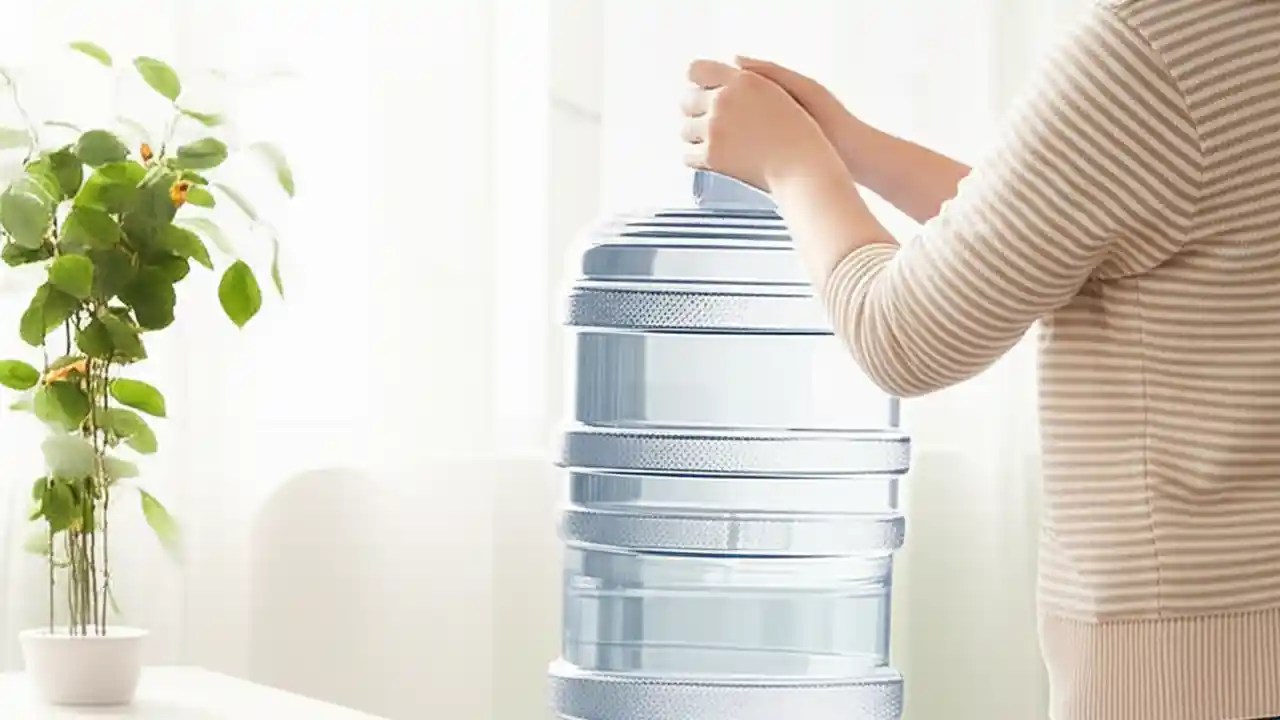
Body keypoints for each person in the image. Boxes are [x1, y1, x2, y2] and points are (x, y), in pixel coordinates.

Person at [680, 1, 1280, 719]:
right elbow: (1076, 234)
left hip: (1185, 670)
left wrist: (792, 165)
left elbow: (902, 336)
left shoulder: (1156, 43)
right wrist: (854, 148)